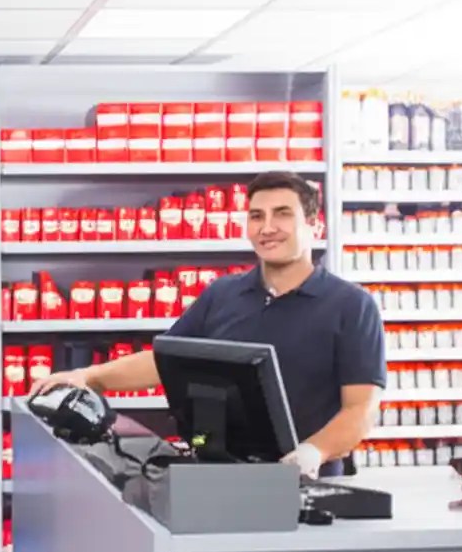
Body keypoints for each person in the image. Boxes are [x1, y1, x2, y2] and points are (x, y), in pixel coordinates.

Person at [30, 171, 384, 478]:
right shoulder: (223, 293)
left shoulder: (351, 306)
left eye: (283, 214)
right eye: (256, 216)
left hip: (309, 484)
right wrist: (89, 377)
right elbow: (164, 360)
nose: (267, 227)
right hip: (218, 473)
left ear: (314, 224)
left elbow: (360, 408)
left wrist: (313, 453)